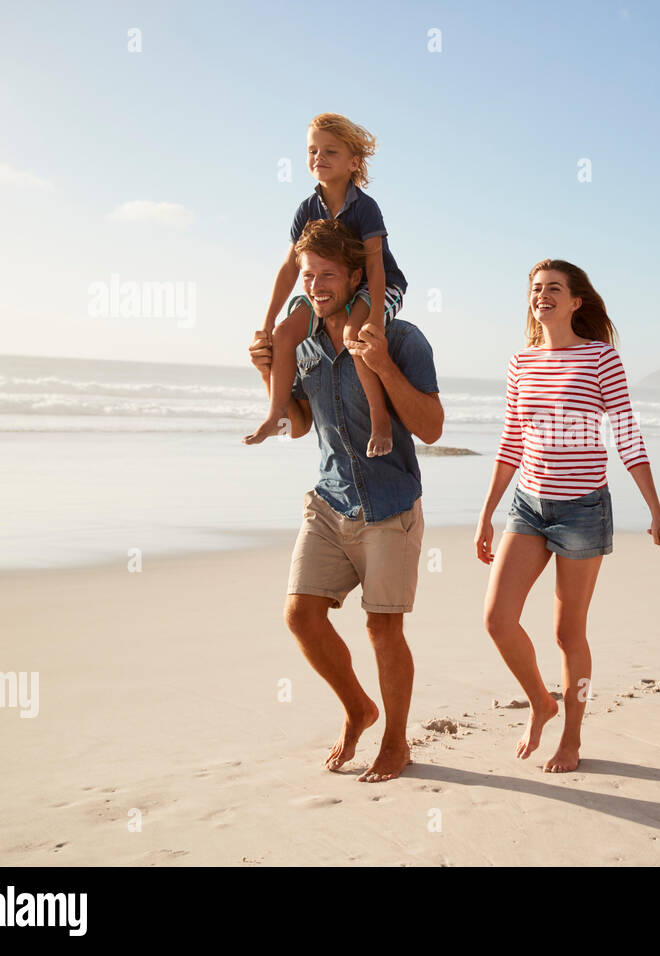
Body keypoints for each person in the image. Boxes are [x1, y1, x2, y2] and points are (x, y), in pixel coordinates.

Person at [247, 218, 442, 783]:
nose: (315, 285)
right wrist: (269, 379)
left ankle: (396, 741)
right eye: (308, 275)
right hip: (330, 500)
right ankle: (359, 708)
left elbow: (430, 428)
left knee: (383, 628)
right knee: (301, 615)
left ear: (356, 275)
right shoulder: (302, 341)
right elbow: (301, 425)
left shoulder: (402, 339)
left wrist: (381, 365)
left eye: (328, 275)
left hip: (390, 505)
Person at [475, 259, 660, 773]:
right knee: (498, 620)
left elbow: (628, 435)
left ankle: (572, 737)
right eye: (536, 289)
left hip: (583, 510)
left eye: (554, 289)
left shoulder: (600, 358)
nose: (542, 296)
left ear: (574, 301)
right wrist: (486, 513)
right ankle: (542, 701)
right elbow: (512, 441)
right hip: (528, 505)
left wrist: (656, 510)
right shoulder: (520, 362)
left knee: (568, 634)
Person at [245, 112, 408, 458]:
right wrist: (266, 324)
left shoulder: (365, 208)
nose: (319, 158)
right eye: (312, 151)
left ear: (354, 162)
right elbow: (290, 269)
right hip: (327, 290)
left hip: (377, 285)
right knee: (284, 334)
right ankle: (275, 414)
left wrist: (374, 319)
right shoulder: (307, 209)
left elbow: (376, 267)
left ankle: (380, 420)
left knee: (353, 334)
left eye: (330, 152)